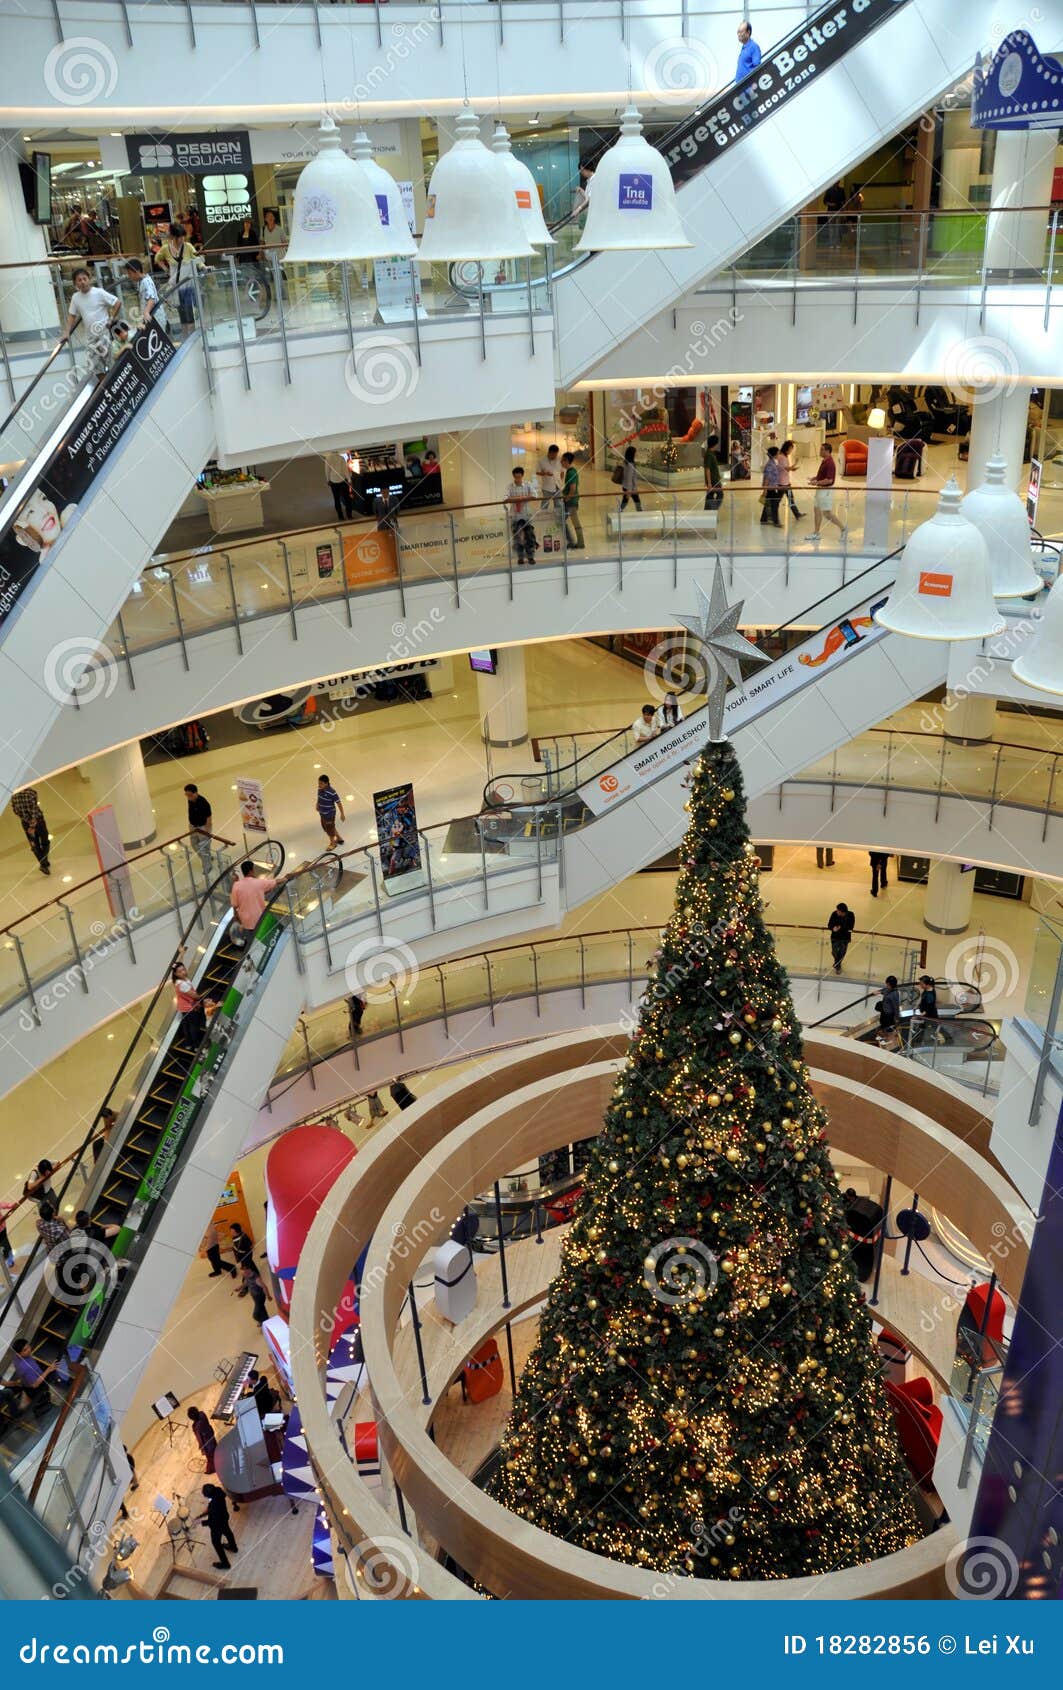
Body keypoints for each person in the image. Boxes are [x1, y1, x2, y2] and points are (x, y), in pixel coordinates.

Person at [58, 268, 121, 382]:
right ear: (75, 283)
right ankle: (105, 386)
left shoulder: (99, 292)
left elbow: (117, 302)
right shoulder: (75, 297)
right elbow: (72, 315)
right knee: (95, 367)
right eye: (79, 280)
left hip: (104, 334)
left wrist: (111, 319)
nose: (82, 282)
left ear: (89, 279)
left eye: (84, 279)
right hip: (90, 338)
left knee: (111, 363)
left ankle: (115, 384)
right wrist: (67, 332)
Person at [153, 223, 206, 339]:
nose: (182, 239)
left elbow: (197, 259)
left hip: (188, 285)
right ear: (173, 237)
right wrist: (166, 269)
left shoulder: (188, 246)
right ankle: (186, 338)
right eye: (179, 237)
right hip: (176, 287)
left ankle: (191, 338)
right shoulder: (166, 249)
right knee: (182, 313)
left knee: (189, 312)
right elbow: (157, 258)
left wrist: (203, 267)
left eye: (183, 236)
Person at [229, 860, 281, 948]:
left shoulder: (236, 885)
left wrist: (236, 916)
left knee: (251, 939)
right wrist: (287, 877)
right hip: (259, 918)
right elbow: (276, 882)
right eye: (253, 869)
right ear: (251, 871)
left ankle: (251, 947)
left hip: (246, 921)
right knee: (262, 936)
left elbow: (235, 904)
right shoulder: (259, 882)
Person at [807, 442, 847, 541]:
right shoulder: (824, 461)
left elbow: (829, 480)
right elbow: (822, 475)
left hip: (825, 491)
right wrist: (814, 478)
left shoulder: (830, 463)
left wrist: (816, 483)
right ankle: (816, 533)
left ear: (827, 451)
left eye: (822, 450)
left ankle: (843, 529)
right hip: (820, 490)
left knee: (827, 513)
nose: (819, 451)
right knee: (816, 510)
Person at [10, 785, 52, 875]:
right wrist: (32, 826)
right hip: (39, 822)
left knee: (35, 845)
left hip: (25, 824)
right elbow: (34, 810)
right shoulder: (30, 792)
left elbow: (16, 811)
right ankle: (44, 864)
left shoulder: (14, 797)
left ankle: (44, 864)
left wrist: (27, 822)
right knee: (45, 841)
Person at [123, 257, 168, 336]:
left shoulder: (146, 281)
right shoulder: (140, 281)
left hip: (155, 317)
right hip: (149, 317)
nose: (129, 276)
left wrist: (146, 312)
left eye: (130, 273)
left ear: (137, 271)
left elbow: (151, 298)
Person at [198, 1484, 238, 1570]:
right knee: (227, 1532)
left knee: (216, 1543)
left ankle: (225, 1563)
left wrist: (200, 1522)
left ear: (208, 1495)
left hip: (217, 1525)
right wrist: (207, 1509)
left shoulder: (214, 1506)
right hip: (224, 1517)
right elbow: (212, 1504)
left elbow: (212, 1521)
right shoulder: (218, 1490)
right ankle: (233, 1547)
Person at [504, 465, 538, 565]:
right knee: (517, 538)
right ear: (513, 476)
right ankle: (520, 557)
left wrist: (523, 498)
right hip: (515, 515)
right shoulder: (510, 486)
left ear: (522, 476)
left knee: (530, 536)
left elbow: (535, 495)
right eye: (516, 477)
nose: (517, 479)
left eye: (519, 477)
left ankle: (530, 556)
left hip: (526, 514)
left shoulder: (528, 484)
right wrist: (518, 499)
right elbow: (505, 498)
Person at [171, 962, 207, 1045]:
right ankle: (197, 1045)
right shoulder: (182, 984)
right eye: (180, 971)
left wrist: (182, 955)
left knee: (187, 1026)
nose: (183, 972)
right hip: (189, 1008)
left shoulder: (178, 981)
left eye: (183, 969)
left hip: (183, 1007)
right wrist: (202, 998)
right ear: (176, 974)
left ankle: (188, 1043)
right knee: (193, 1027)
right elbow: (194, 996)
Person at [184, 783, 214, 877]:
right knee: (194, 844)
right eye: (186, 795)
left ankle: (207, 866)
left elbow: (209, 818)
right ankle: (208, 858)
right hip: (193, 827)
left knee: (203, 847)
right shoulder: (190, 800)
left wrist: (207, 831)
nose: (188, 797)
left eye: (190, 795)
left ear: (195, 793)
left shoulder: (203, 802)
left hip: (203, 827)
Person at [560, 451, 584, 548]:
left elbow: (573, 489)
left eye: (562, 460)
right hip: (570, 501)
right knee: (562, 521)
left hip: (571, 502)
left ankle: (579, 543)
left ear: (566, 461)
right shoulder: (571, 471)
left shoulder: (571, 473)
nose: (561, 462)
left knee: (574, 522)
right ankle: (572, 541)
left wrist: (567, 498)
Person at [316, 774, 346, 847]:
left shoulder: (332, 792)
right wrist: (317, 804)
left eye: (321, 783)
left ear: (326, 783)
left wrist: (342, 814)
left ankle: (333, 843)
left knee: (329, 829)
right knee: (328, 827)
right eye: (319, 783)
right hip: (322, 813)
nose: (319, 785)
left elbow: (339, 803)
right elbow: (319, 798)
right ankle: (339, 838)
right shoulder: (320, 789)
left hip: (329, 814)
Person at [324, 450, 353, 521]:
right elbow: (345, 470)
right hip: (342, 480)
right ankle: (349, 515)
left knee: (336, 499)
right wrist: (349, 479)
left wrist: (328, 480)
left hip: (333, 481)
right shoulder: (341, 458)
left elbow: (327, 470)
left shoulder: (328, 458)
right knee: (347, 498)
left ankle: (340, 516)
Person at [778, 441, 804, 519]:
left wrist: (792, 469)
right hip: (782, 484)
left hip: (786, 483)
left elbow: (786, 469)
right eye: (791, 449)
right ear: (787, 448)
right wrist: (795, 463)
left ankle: (797, 514)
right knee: (776, 500)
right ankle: (767, 516)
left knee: (791, 499)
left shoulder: (784, 456)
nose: (791, 451)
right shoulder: (781, 457)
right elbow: (786, 468)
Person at [827, 902, 855, 974]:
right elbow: (829, 924)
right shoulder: (834, 914)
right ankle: (837, 963)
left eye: (838, 911)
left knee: (842, 953)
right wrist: (833, 928)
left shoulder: (851, 915)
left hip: (845, 938)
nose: (836, 911)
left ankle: (838, 966)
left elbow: (851, 927)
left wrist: (840, 927)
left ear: (842, 912)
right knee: (834, 952)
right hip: (835, 937)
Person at [188, 1405, 217, 1473]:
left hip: (207, 1444)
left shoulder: (196, 1427)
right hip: (210, 1435)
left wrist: (202, 1448)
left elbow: (200, 1439)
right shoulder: (202, 1414)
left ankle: (211, 1469)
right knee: (215, 1450)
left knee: (210, 1457)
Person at [760, 446, 782, 527]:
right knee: (774, 505)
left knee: (769, 504)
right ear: (774, 454)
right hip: (770, 488)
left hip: (772, 487)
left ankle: (764, 519)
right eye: (778, 453)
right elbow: (767, 478)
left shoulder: (773, 463)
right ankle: (776, 522)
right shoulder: (770, 465)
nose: (779, 455)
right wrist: (765, 490)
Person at [702, 432, 723, 511]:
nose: (717, 445)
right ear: (714, 444)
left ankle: (708, 511)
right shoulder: (709, 455)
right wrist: (709, 483)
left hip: (715, 479)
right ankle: (713, 509)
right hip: (713, 480)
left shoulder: (711, 453)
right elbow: (707, 469)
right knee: (720, 495)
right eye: (717, 443)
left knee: (709, 496)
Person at [619, 445, 641, 512]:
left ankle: (620, 510)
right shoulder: (630, 465)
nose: (636, 454)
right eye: (635, 452)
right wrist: (629, 490)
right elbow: (629, 478)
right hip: (630, 488)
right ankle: (640, 512)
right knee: (636, 501)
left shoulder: (626, 462)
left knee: (626, 500)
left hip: (626, 486)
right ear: (632, 454)